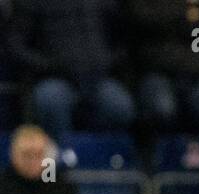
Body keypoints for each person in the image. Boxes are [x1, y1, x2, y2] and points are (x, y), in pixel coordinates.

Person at [6, 0, 136, 141]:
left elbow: (123, 38)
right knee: (51, 101)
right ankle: (61, 157)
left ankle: (101, 157)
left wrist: (108, 61)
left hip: (99, 77)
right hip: (54, 78)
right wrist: (48, 65)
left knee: (119, 107)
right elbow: (15, 46)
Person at [128, 0, 199, 131]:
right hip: (158, 70)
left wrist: (177, 20)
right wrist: (185, 12)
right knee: (163, 108)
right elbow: (143, 18)